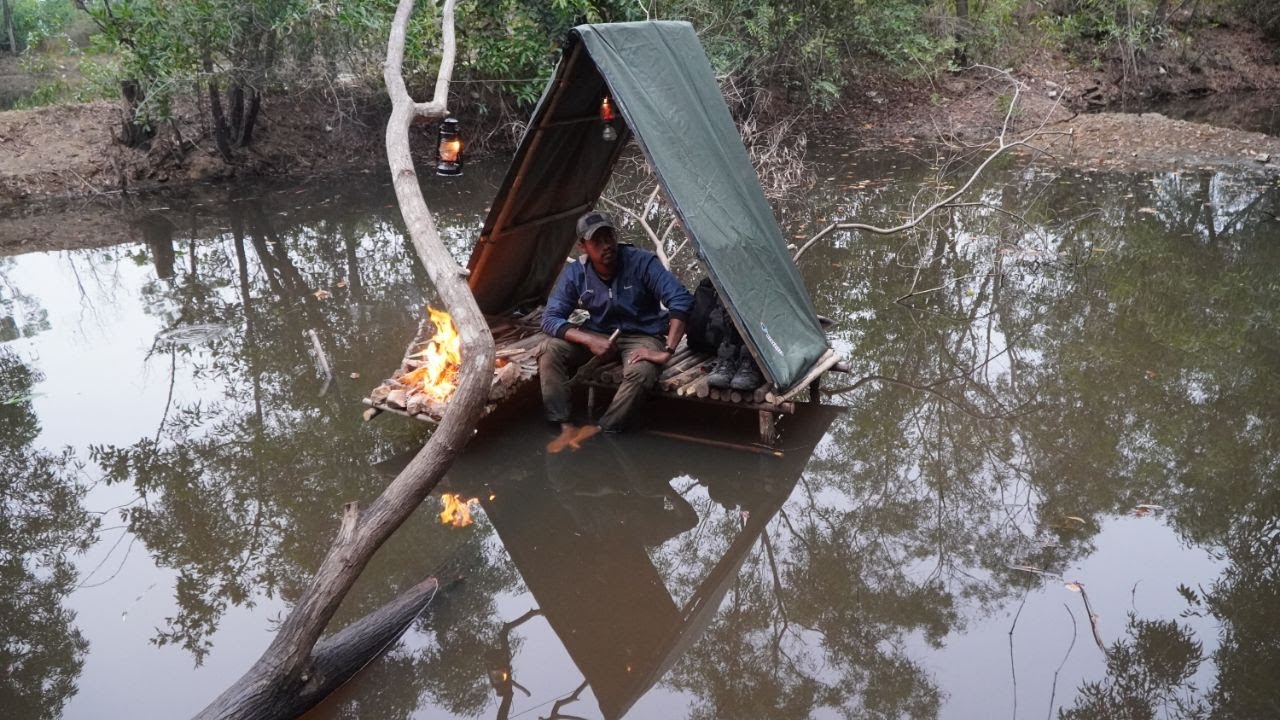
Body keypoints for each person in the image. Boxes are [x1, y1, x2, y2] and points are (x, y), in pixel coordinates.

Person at [539, 211, 693, 449]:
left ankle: (603, 428)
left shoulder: (641, 262)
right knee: (549, 350)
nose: (606, 245)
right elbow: (550, 318)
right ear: (582, 247)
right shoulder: (577, 272)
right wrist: (589, 340)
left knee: (641, 372)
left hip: (642, 335)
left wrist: (668, 350)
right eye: (597, 241)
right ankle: (564, 425)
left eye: (609, 236)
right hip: (598, 332)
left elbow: (681, 300)